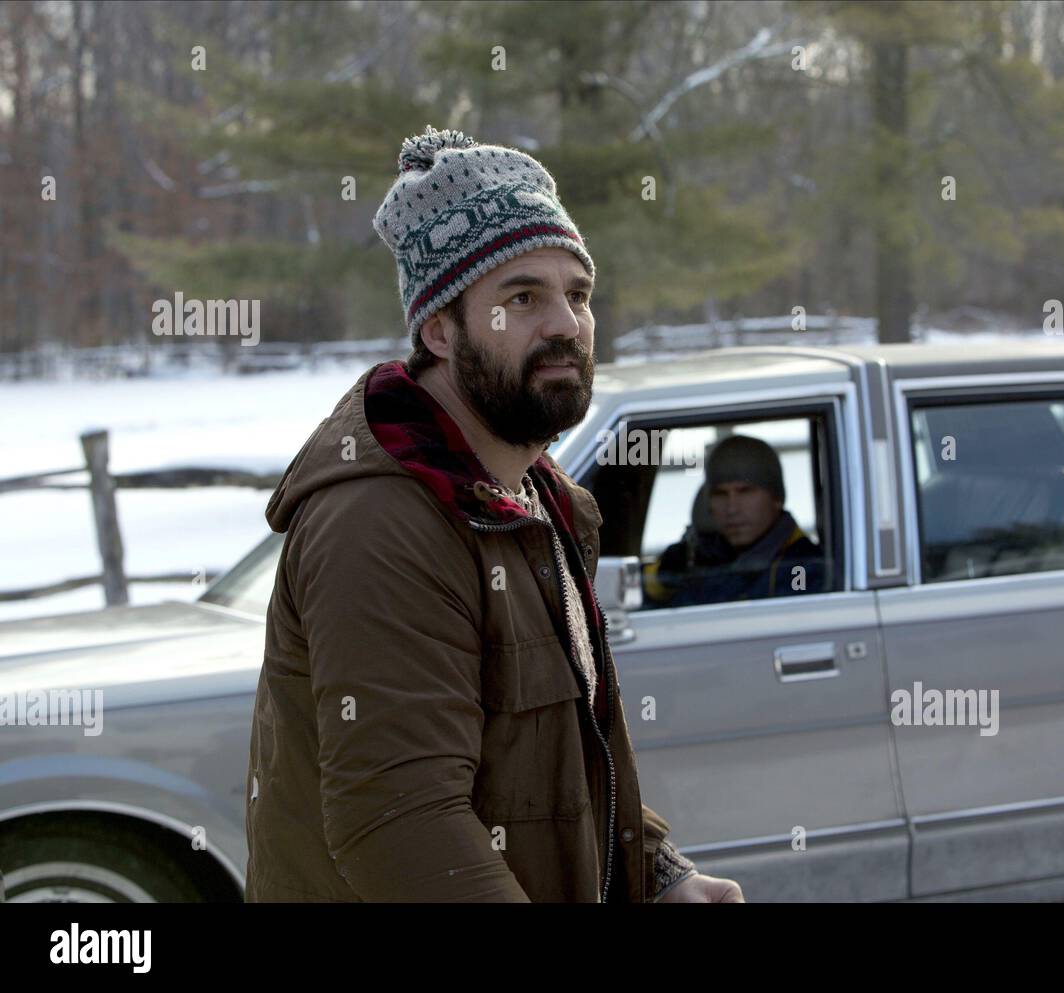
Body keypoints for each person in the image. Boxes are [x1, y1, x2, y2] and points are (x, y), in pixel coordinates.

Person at [244, 125, 742, 903]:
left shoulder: (537, 501)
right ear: (438, 328)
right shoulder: (381, 519)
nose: (566, 325)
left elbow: (566, 761)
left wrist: (659, 874)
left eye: (577, 294)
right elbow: (402, 820)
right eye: (522, 297)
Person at [643, 435, 827, 608]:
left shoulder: (801, 566)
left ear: (776, 498)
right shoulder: (697, 554)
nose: (732, 508)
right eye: (720, 494)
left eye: (745, 491)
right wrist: (663, 577)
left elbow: (797, 618)